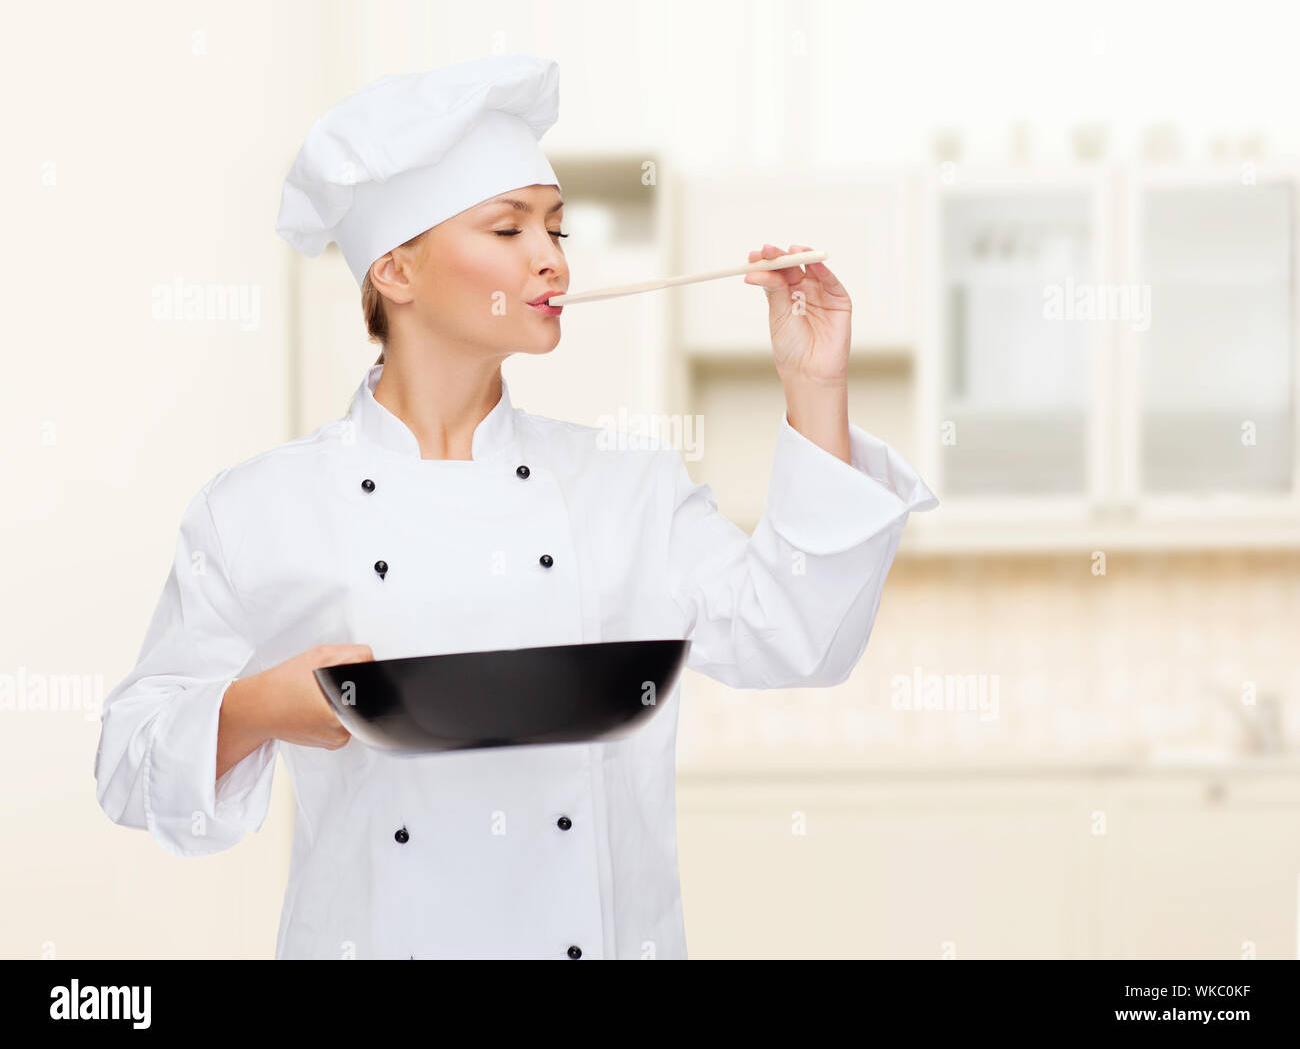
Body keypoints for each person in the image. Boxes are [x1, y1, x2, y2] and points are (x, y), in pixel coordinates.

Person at [94, 53, 939, 959]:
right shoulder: (261, 509)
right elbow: (128, 768)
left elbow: (800, 638)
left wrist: (816, 384)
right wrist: (256, 707)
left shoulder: (627, 486)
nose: (552, 260)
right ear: (396, 273)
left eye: (558, 229)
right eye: (508, 228)